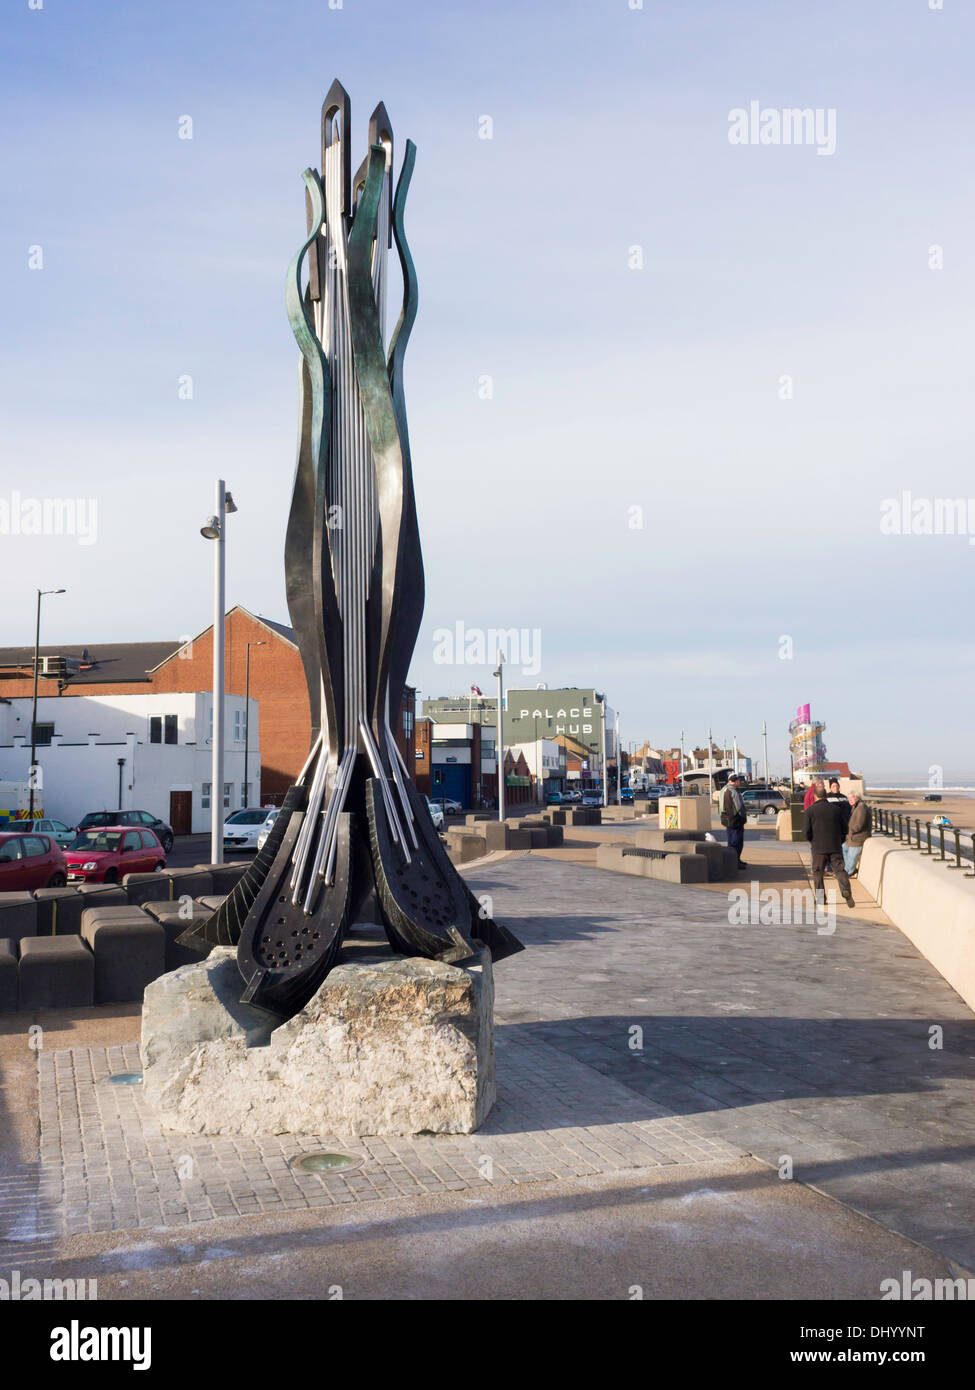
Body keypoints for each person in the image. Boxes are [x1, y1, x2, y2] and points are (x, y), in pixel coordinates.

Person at [803, 787, 855, 907]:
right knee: (840, 870)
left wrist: (813, 841)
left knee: (818, 873)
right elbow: (845, 829)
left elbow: (806, 831)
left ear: (815, 796)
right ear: (826, 796)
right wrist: (839, 841)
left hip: (818, 849)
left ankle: (821, 899)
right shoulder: (836, 810)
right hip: (835, 846)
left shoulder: (810, 811)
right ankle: (846, 891)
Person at [721, 773, 748, 870]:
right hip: (735, 821)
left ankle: (734, 861)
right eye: (738, 781)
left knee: (731, 842)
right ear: (736, 781)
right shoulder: (734, 791)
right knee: (737, 842)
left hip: (727, 820)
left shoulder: (724, 790)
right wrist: (743, 817)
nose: (739, 782)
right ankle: (735, 862)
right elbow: (738, 807)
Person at [844, 792, 872, 877]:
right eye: (848, 799)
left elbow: (859, 825)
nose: (850, 800)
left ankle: (850, 871)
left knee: (852, 855)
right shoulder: (855, 807)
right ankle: (847, 869)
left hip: (859, 837)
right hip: (852, 836)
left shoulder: (861, 807)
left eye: (852, 798)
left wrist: (850, 831)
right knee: (844, 848)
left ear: (857, 797)